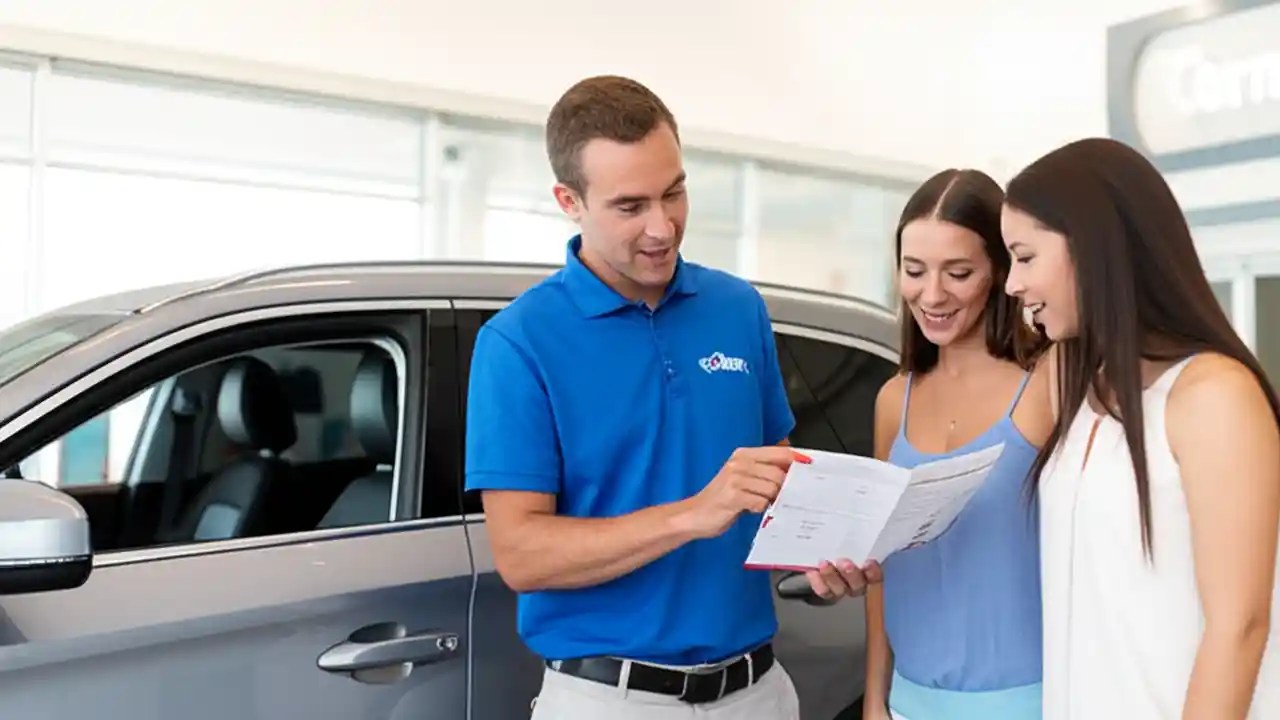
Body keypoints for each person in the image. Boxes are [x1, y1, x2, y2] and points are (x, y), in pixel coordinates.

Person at [464, 75, 873, 719]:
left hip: (759, 695)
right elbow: (521, 555)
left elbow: (779, 488)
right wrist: (693, 514)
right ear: (569, 200)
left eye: (674, 192)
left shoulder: (737, 308)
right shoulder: (518, 343)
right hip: (611, 702)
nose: (663, 227)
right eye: (630, 207)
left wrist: (820, 567)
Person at [1001, 137, 1280, 719]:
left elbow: (1240, 626)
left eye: (1025, 258)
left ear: (1094, 248)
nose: (1012, 284)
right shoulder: (1079, 385)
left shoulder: (1213, 396)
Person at [806, 168, 1053, 719]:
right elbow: (882, 564)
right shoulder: (895, 399)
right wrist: (875, 698)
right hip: (908, 701)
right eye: (914, 270)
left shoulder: (1046, 386)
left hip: (1028, 703)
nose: (932, 294)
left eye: (958, 273)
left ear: (1001, 270)